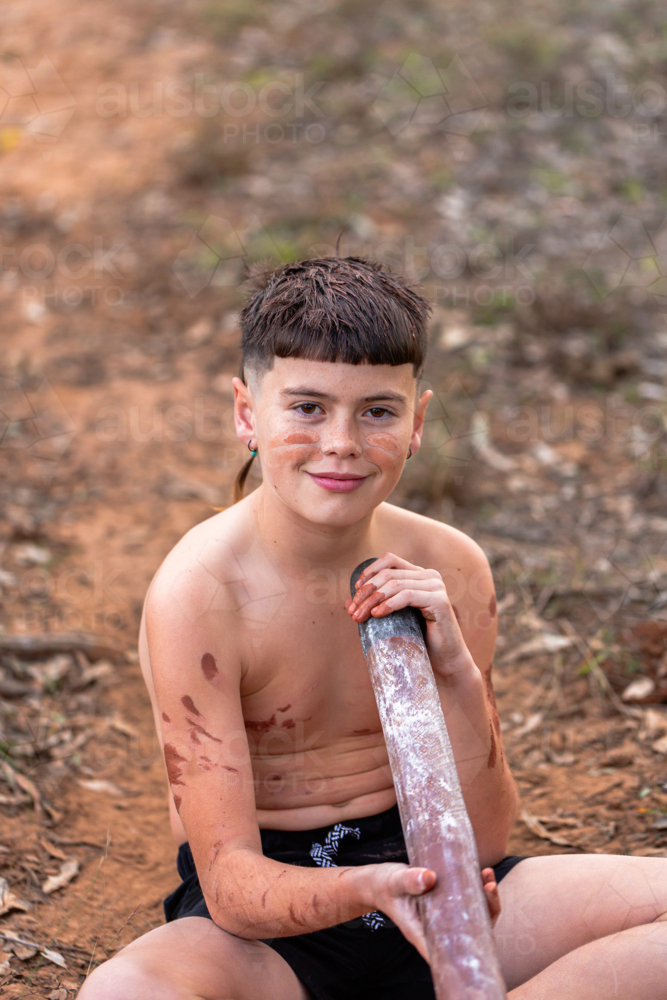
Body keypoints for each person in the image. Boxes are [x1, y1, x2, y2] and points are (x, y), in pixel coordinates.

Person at [80, 257, 667, 1000]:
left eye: (377, 412)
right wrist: (373, 888)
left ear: (416, 422)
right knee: (124, 992)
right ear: (244, 413)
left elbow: (483, 840)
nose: (342, 443)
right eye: (306, 408)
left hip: (434, 880)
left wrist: (456, 674)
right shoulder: (198, 592)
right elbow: (229, 886)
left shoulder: (449, 565)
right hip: (273, 930)